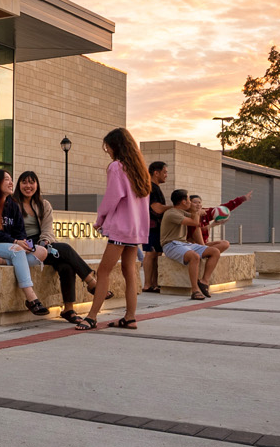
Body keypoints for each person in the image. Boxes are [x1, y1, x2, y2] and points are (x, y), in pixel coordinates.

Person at [75, 127, 152, 330]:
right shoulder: (140, 170)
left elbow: (112, 198)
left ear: (115, 146)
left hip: (121, 229)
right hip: (135, 230)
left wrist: (100, 219)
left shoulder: (117, 167)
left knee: (103, 271)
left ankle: (92, 317)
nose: (107, 151)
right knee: (129, 272)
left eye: (107, 147)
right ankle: (130, 317)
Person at [13, 170, 112, 323]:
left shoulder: (43, 204)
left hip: (41, 244)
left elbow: (47, 229)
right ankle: (92, 283)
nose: (28, 186)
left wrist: (44, 243)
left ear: (37, 185)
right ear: (18, 184)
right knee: (65, 249)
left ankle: (68, 309)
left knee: (66, 265)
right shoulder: (13, 205)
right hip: (24, 247)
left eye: (31, 182)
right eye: (24, 182)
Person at [0, 169, 50, 316]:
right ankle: (31, 298)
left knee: (42, 252)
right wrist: (15, 242)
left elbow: (20, 232)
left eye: (11, 179)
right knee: (17, 251)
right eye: (7, 179)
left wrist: (24, 242)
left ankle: (1, 261)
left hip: (7, 248)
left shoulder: (13, 205)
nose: (11, 182)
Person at [161, 190, 230, 299]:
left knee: (215, 252)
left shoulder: (182, 212)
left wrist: (210, 214)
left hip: (184, 244)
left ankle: (204, 282)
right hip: (171, 245)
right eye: (189, 200)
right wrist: (198, 213)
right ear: (184, 202)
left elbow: (196, 216)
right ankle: (195, 290)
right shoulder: (171, 213)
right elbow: (194, 222)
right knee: (195, 257)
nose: (190, 202)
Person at [142, 161, 170, 294]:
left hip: (157, 228)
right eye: (164, 172)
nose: (166, 175)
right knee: (151, 254)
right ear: (156, 172)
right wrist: (175, 207)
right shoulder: (151, 187)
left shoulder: (155, 187)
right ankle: (147, 285)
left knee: (156, 254)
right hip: (151, 227)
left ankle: (154, 284)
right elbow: (157, 208)